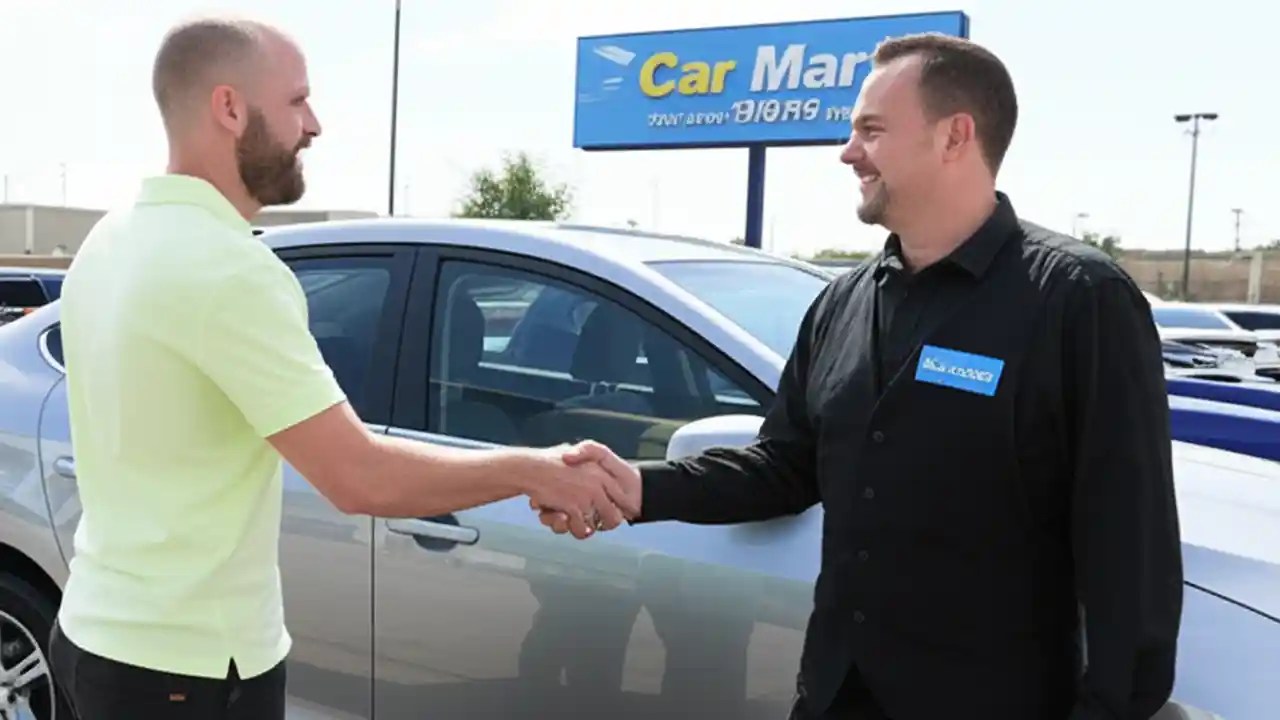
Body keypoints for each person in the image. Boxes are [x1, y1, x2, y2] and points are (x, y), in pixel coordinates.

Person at [541, 32, 1184, 720]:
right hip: (837, 695)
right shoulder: (842, 303)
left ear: (954, 136)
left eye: (871, 131)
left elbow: (1131, 551)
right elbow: (787, 466)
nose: (848, 153)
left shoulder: (1076, 300)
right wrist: (640, 487)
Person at [48, 17, 631, 719]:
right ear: (230, 108)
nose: (314, 124)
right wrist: (532, 470)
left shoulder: (110, 239)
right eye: (297, 101)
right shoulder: (231, 270)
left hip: (92, 636)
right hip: (189, 670)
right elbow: (359, 477)